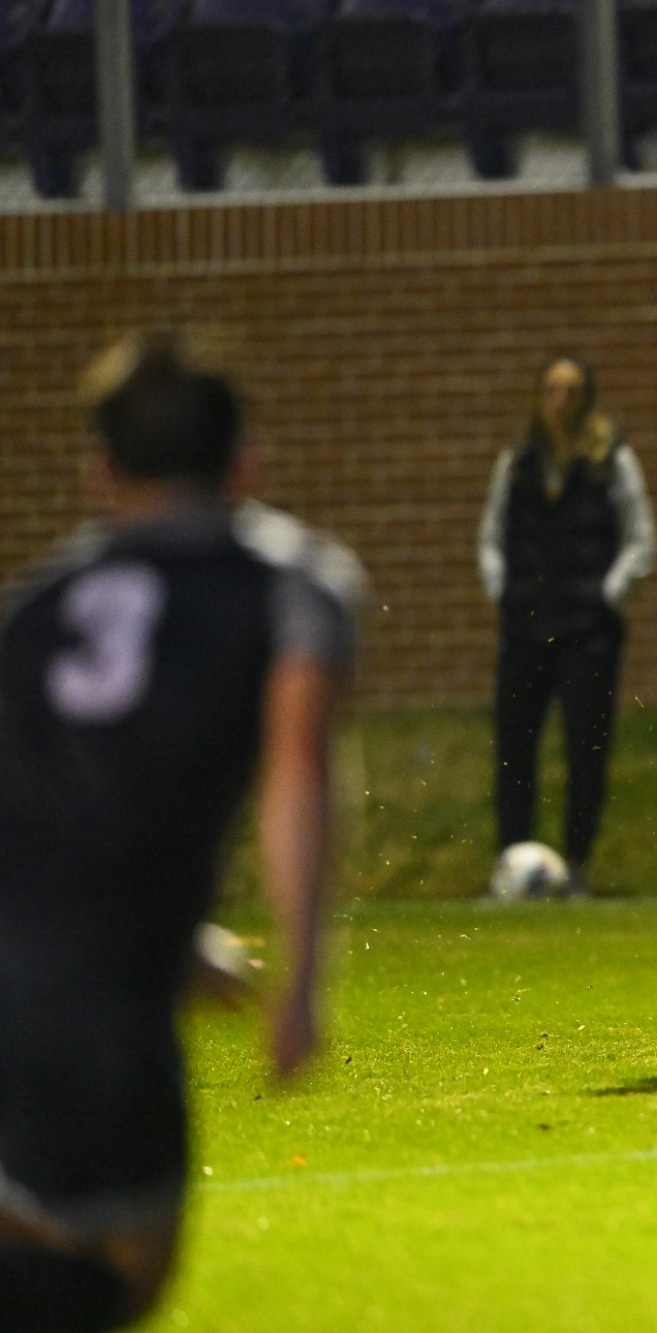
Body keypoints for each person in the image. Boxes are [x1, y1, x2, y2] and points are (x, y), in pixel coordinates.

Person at [0, 330, 359, 1326]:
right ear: (245, 464)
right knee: (130, 1261)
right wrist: (301, 981)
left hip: (38, 958)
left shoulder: (33, 607)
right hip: (101, 995)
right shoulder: (290, 582)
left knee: (43, 1229)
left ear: (98, 471)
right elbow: (298, 771)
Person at [478, 356, 657, 898]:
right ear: (539, 396)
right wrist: (504, 591)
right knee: (514, 748)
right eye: (552, 389)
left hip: (588, 630)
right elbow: (491, 536)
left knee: (586, 750)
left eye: (572, 390)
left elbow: (640, 540)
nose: (562, 400)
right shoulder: (516, 463)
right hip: (524, 627)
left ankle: (574, 867)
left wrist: (608, 596)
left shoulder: (612, 461)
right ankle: (510, 867)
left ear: (588, 397)